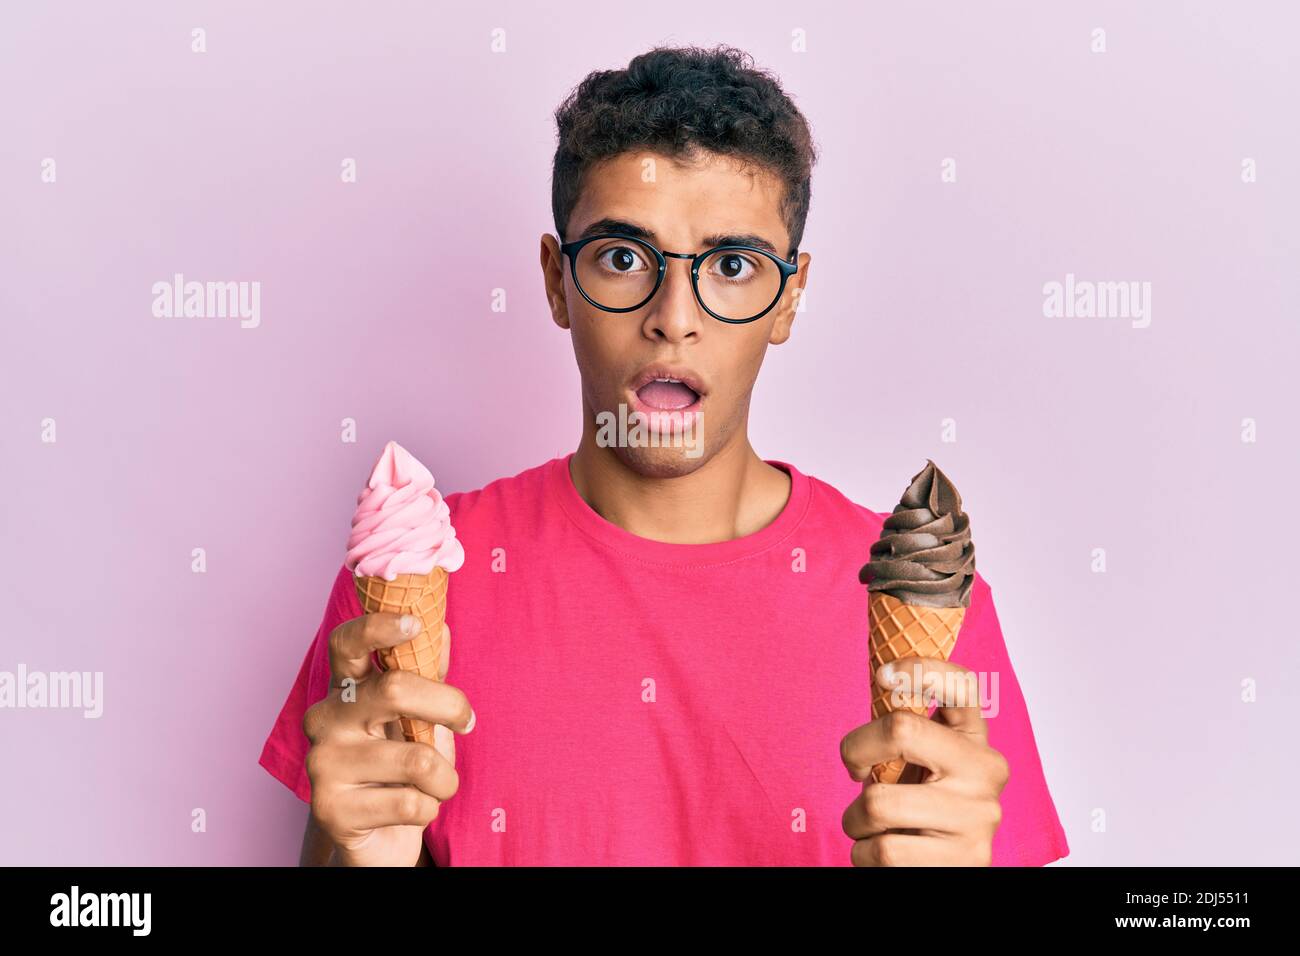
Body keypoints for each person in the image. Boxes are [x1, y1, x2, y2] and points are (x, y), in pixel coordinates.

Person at [259, 44, 1069, 867]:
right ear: (553, 281)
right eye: (621, 258)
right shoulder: (415, 566)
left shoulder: (925, 585)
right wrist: (352, 849)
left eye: (731, 265)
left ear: (788, 298)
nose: (674, 316)